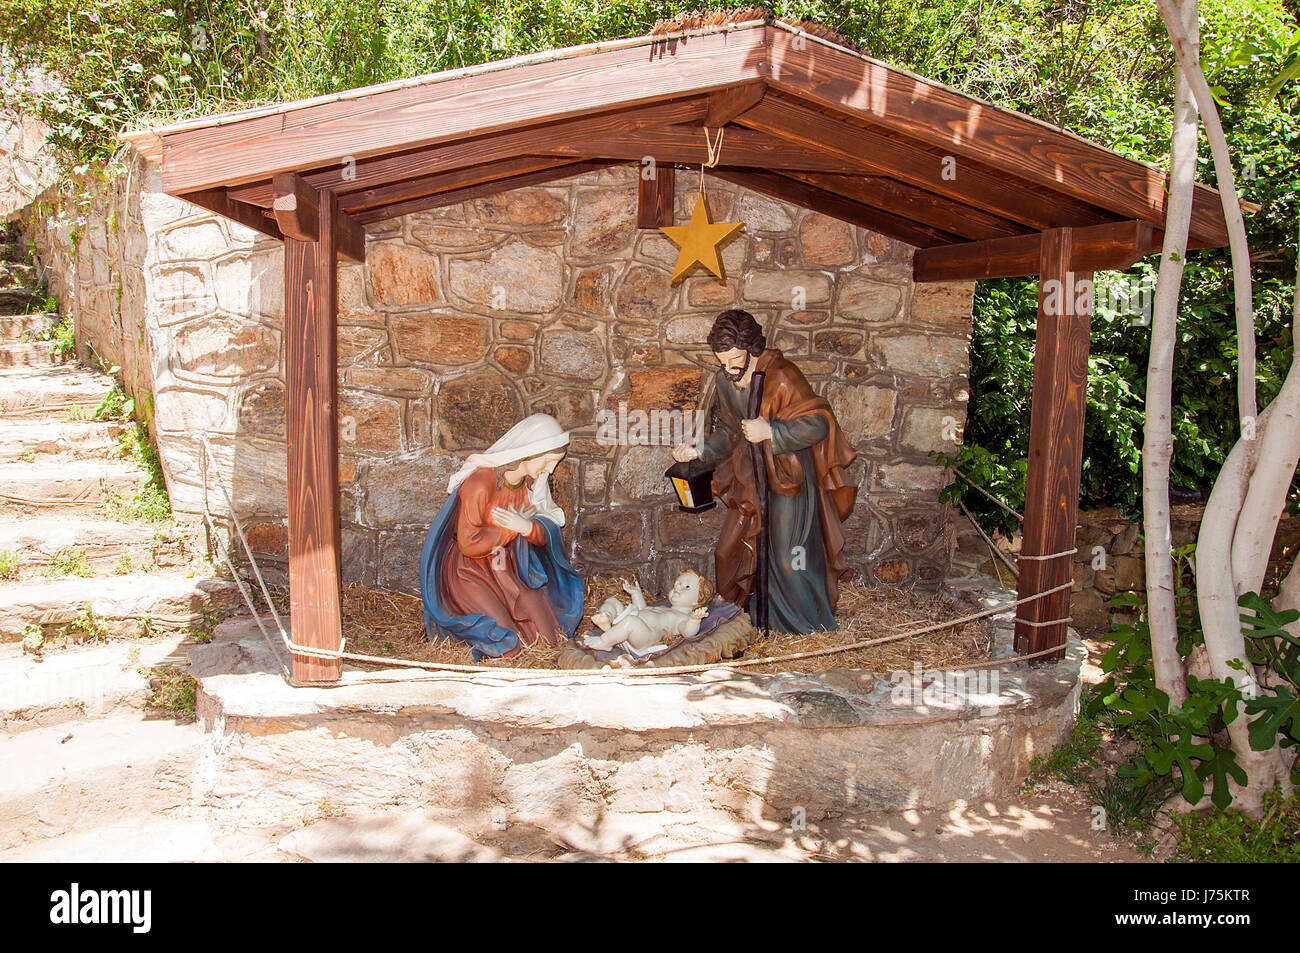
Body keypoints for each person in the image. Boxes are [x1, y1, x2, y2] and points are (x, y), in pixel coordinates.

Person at [672, 310, 857, 633]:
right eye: (722, 362)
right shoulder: (726, 381)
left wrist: (773, 432)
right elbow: (729, 431)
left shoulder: (783, 375)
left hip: (789, 483)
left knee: (789, 558)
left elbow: (818, 424)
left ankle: (805, 628)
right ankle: (750, 614)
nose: (729, 371)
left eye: (735, 361)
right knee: (730, 550)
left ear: (753, 349)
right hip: (751, 482)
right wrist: (699, 450)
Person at [419, 413, 584, 659]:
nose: (550, 470)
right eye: (548, 461)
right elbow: (468, 543)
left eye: (555, 463)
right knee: (505, 643)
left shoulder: (531, 485)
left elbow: (545, 531)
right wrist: (510, 529)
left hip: (507, 567)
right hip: (469, 572)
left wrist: (527, 528)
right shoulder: (480, 483)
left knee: (549, 637)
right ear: (530, 451)